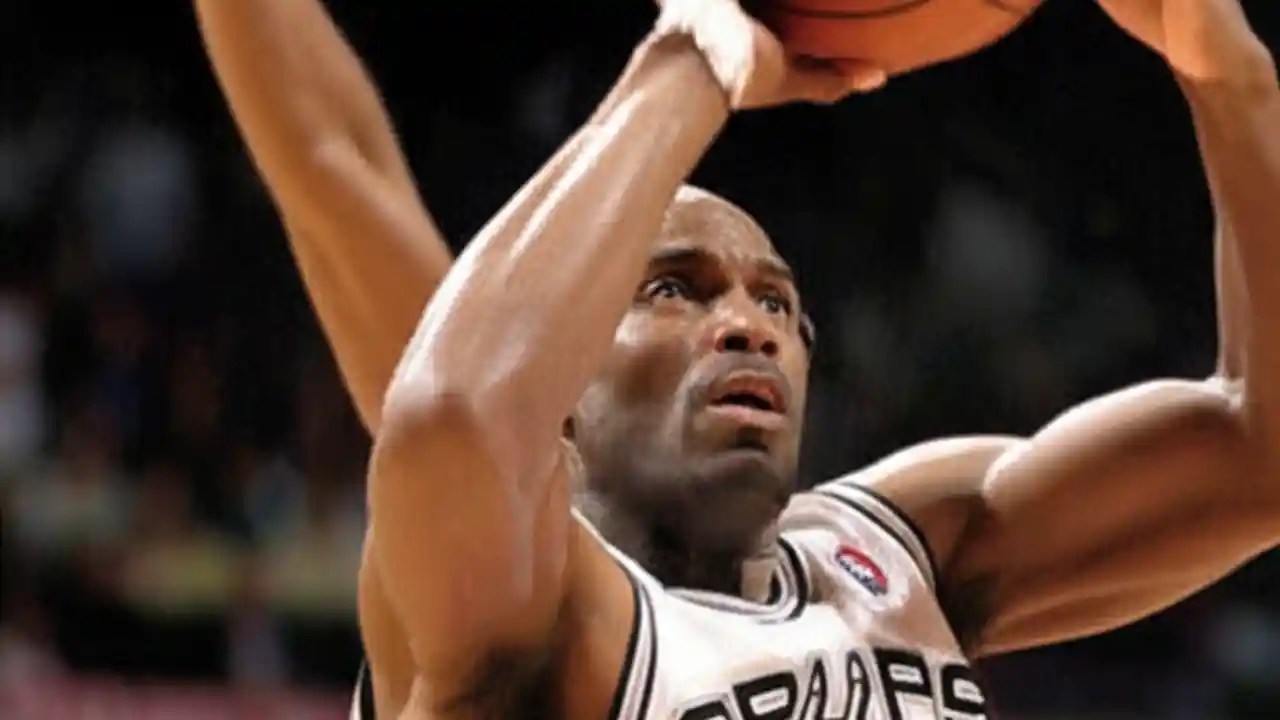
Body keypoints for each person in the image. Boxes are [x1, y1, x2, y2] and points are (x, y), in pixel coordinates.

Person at [199, 0, 1280, 718]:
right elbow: (436, 386)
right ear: (561, 380)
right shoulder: (520, 610)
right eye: (673, 289)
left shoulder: (893, 557)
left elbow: (1260, 453)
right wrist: (699, 55)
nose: (748, 324)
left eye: (776, 301)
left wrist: (1231, 78)